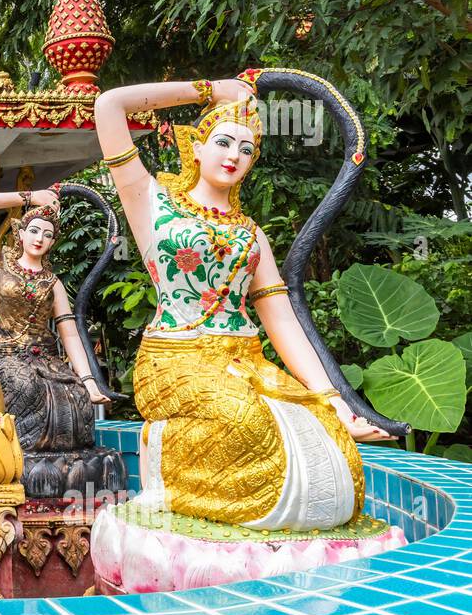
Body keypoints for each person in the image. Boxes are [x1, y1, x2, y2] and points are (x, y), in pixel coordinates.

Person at [92, 78, 389, 529]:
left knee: (326, 434)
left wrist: (331, 399)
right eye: (224, 142)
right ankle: (171, 476)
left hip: (244, 361)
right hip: (174, 361)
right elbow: (110, 105)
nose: (234, 156)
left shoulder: (252, 235)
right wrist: (211, 90)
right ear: (195, 148)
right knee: (245, 420)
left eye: (246, 150)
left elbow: (281, 320)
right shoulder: (150, 202)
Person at [0, 188, 122, 498]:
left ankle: (59, 470)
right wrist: (30, 198)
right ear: (21, 233)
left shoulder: (53, 282)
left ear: (52, 243)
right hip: (8, 358)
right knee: (28, 388)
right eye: (34, 230)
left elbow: (69, 333)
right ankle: (18, 461)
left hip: (47, 359)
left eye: (47, 235)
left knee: (76, 398)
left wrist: (88, 381)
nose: (39, 238)